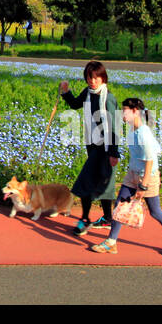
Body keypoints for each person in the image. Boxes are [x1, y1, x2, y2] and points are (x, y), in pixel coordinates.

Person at [91, 97, 162, 257]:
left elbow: (150, 160)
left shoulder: (143, 133)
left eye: (125, 111)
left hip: (146, 177)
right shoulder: (132, 130)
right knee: (120, 206)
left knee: (155, 211)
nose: (122, 114)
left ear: (135, 112)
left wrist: (143, 185)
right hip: (133, 174)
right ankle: (111, 243)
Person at [59, 60, 121, 235]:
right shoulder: (88, 93)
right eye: (89, 77)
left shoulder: (108, 99)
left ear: (103, 78)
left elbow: (114, 127)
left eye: (96, 77)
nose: (93, 81)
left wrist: (114, 153)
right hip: (92, 144)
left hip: (105, 148)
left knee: (85, 182)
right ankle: (108, 218)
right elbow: (75, 104)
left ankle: (85, 219)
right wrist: (66, 92)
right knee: (102, 181)